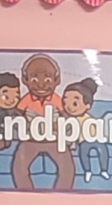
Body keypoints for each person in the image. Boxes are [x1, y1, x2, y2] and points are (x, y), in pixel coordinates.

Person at [11, 53, 73, 192]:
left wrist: (60, 126)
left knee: (67, 167)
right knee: (19, 166)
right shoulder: (26, 100)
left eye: (48, 79)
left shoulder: (57, 99)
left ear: (57, 80)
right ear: (25, 80)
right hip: (30, 141)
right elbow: (16, 117)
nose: (41, 84)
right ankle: (27, 195)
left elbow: (67, 118)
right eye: (34, 79)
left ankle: (63, 195)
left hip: (54, 141)